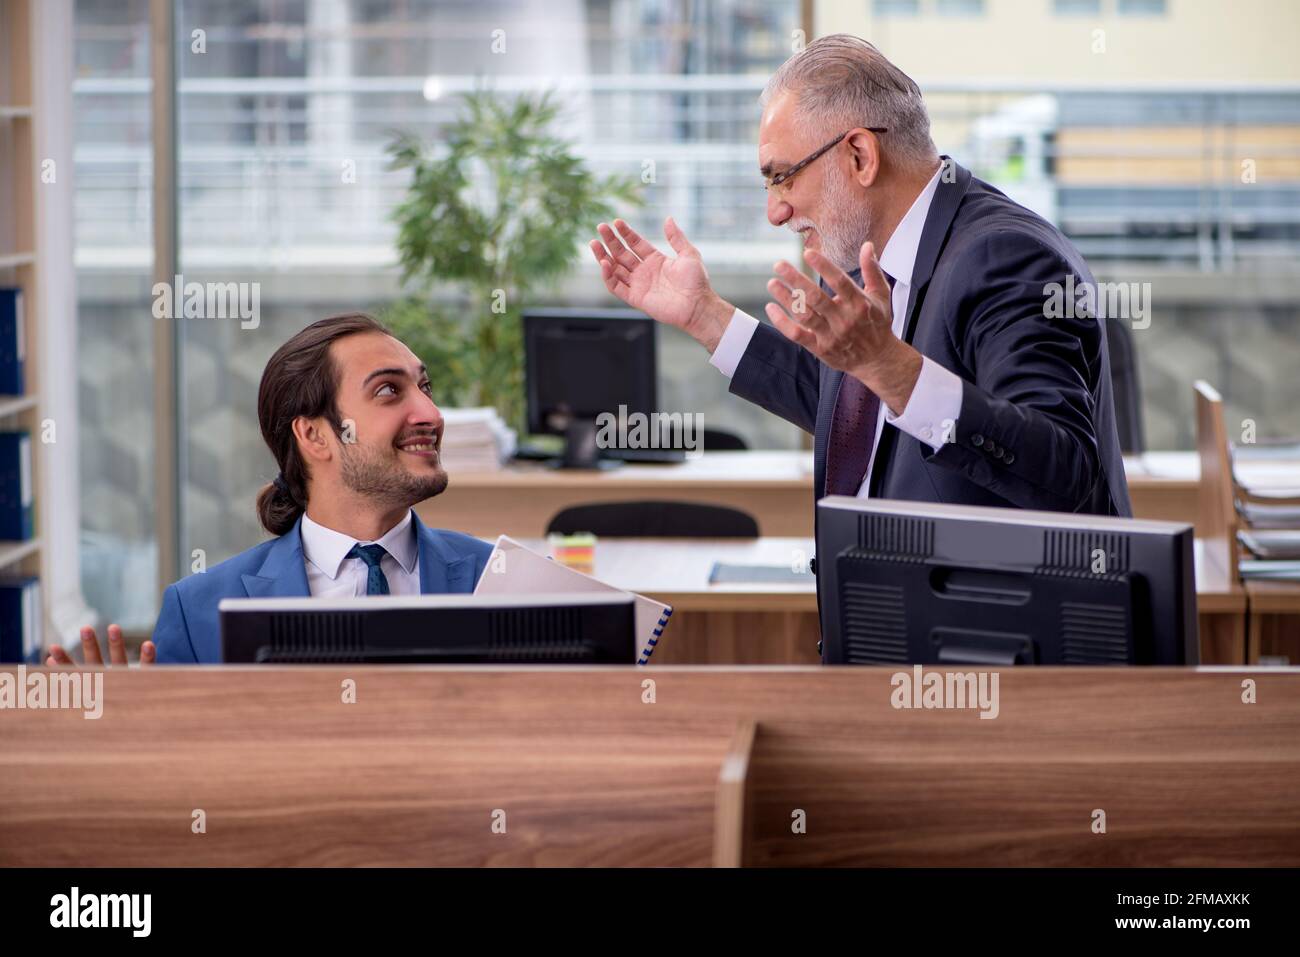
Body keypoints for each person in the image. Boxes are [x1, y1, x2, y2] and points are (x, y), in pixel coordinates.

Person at [590, 34, 1132, 519]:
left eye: (783, 177)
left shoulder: (1006, 256)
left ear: (859, 156)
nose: (775, 212)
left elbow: (1068, 471)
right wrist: (705, 316)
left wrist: (886, 365)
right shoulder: (860, 256)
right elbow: (858, 420)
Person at [48, 312, 492, 666]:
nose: (431, 413)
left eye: (425, 387)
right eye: (389, 390)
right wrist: (116, 729)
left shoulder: (502, 579)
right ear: (314, 436)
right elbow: (181, 753)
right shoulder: (199, 610)